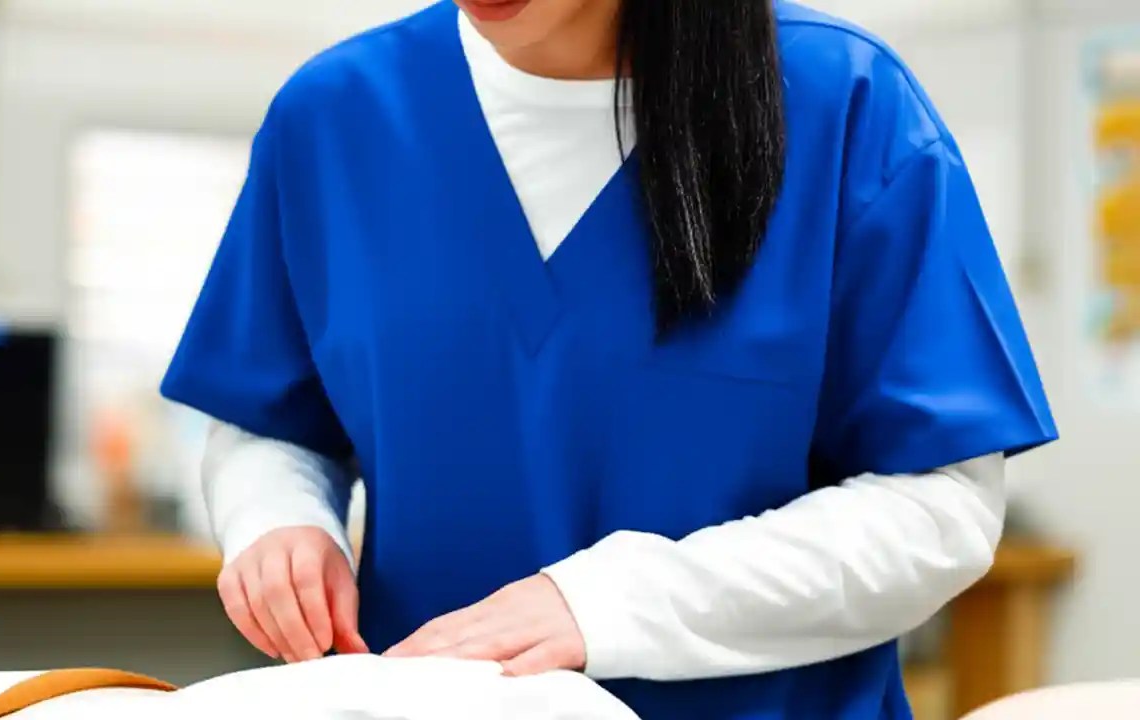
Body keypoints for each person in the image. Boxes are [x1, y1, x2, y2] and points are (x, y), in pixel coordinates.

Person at [161, 1, 1058, 717]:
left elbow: (939, 508)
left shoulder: (844, 102)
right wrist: (275, 520)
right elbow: (266, 422)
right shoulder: (333, 119)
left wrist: (603, 607)